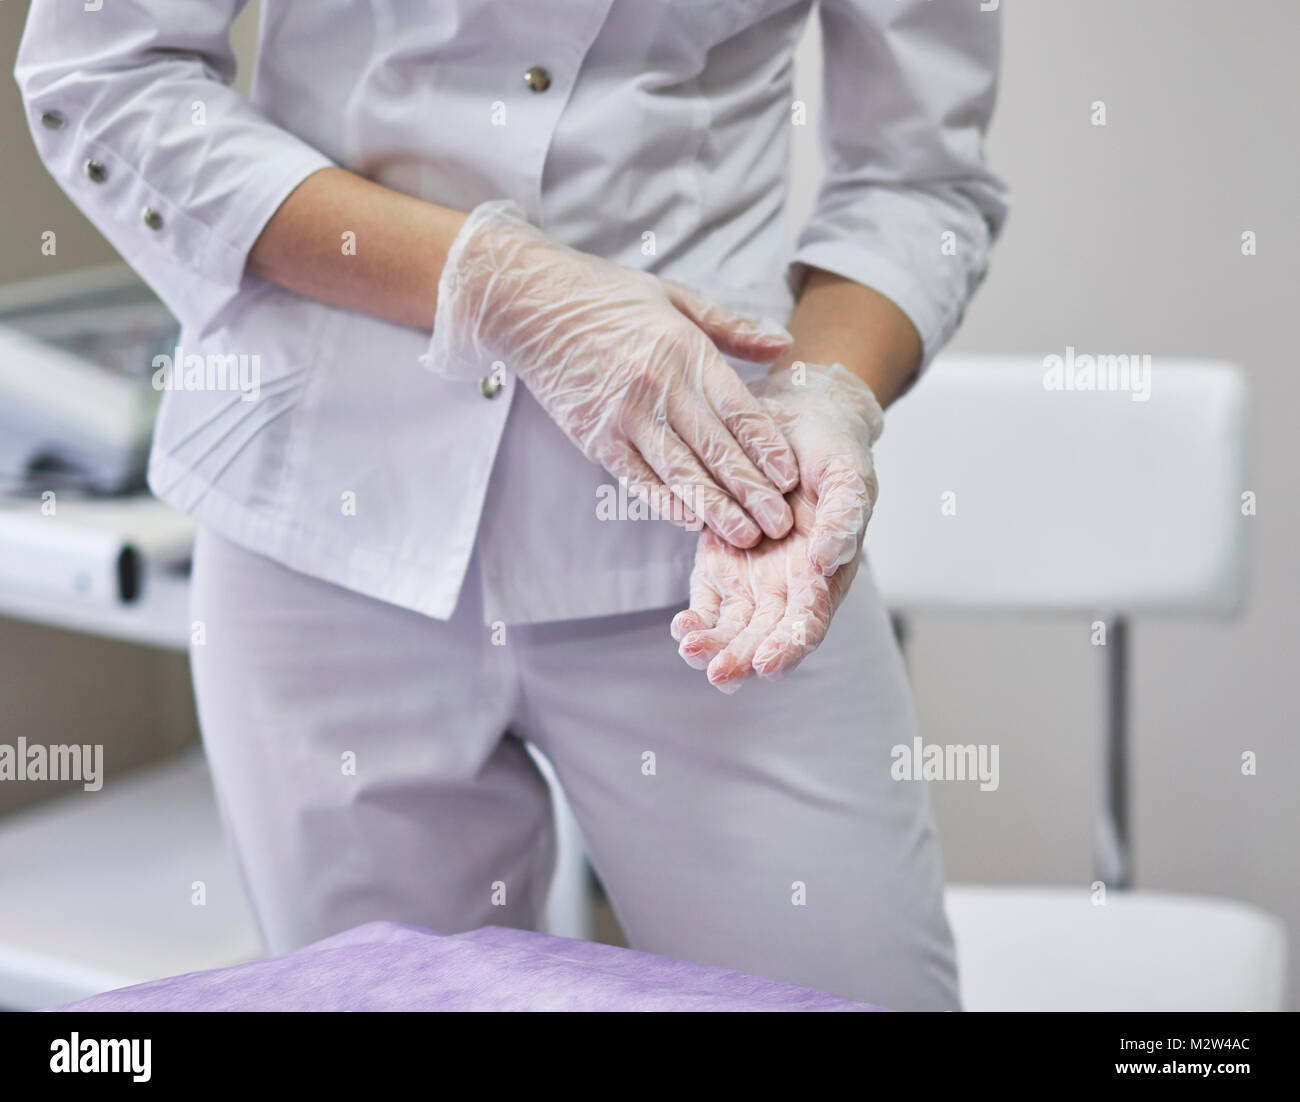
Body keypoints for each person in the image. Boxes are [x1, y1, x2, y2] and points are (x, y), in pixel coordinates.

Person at [16, 0, 1007, 1010]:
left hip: (724, 538)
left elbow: (917, 178)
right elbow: (101, 75)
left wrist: (824, 395)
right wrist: (492, 283)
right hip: (324, 515)